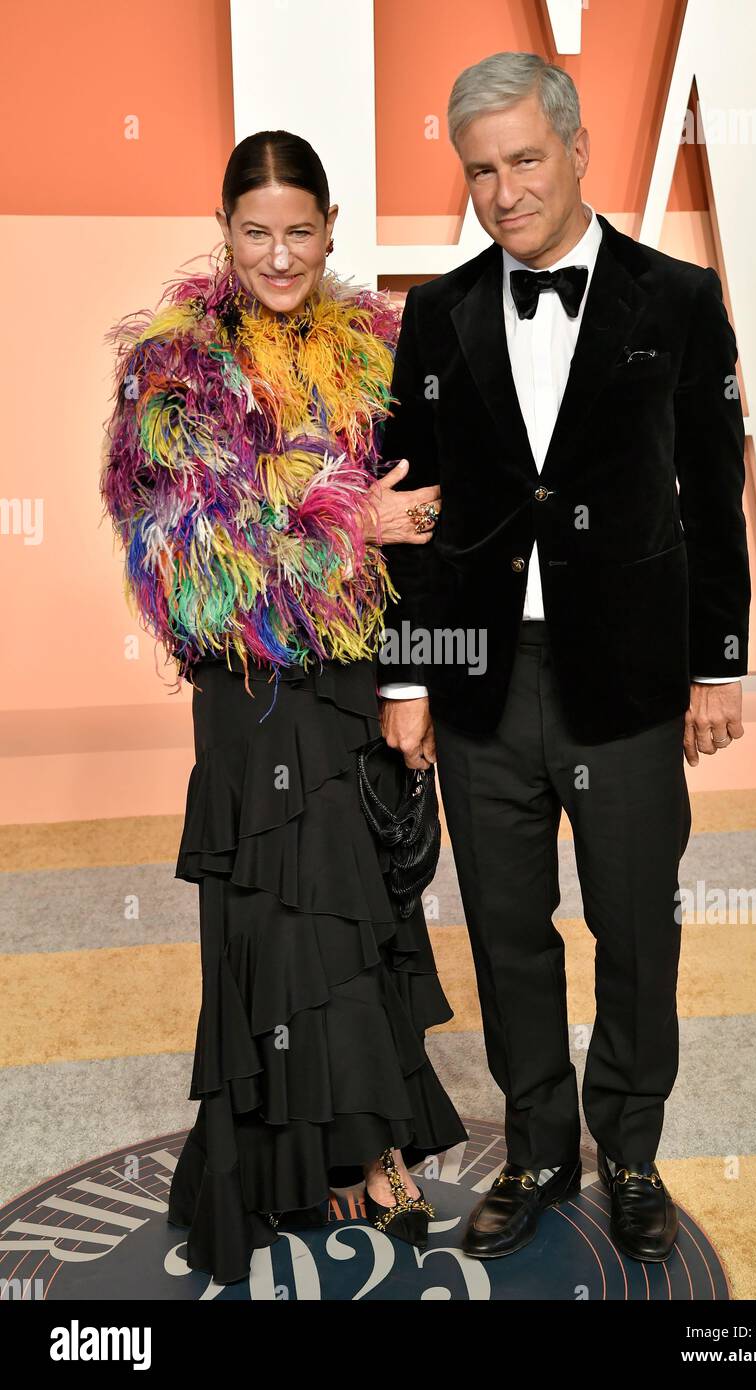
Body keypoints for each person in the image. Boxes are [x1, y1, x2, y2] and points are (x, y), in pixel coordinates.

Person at [378, 52, 751, 1263]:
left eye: (525, 160)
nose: (502, 191)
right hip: (483, 679)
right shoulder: (435, 316)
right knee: (504, 924)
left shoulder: (679, 299)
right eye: (479, 170)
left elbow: (712, 490)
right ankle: (538, 1147)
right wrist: (407, 674)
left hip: (627, 677)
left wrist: (717, 664)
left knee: (637, 925)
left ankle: (630, 1150)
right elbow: (409, 506)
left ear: (578, 149)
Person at [99, 129, 467, 1286]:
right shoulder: (174, 369)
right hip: (249, 686)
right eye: (255, 232)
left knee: (354, 908)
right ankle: (298, 1156)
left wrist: (410, 680)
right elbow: (185, 562)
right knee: (273, 917)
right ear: (223, 232)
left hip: (353, 674)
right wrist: (341, 522)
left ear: (329, 227)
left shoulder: (375, 349)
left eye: (298, 230)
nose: (277, 253)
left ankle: (364, 1141)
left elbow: (426, 524)